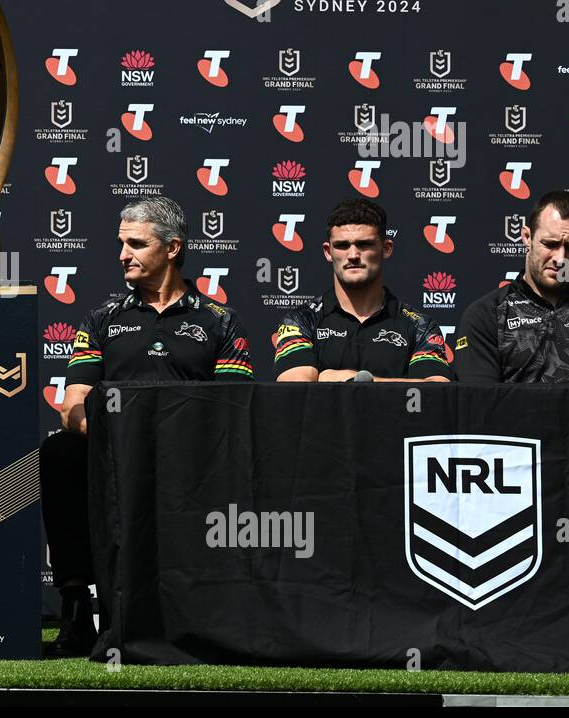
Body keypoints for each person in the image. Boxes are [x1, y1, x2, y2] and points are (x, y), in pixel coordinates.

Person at [43, 197, 254, 656]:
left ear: (173, 248)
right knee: (60, 449)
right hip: (115, 454)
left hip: (194, 458)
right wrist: (111, 439)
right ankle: (76, 605)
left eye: (136, 244)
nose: (123, 255)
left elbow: (233, 408)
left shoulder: (219, 321)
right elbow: (73, 404)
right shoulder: (102, 319)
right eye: (121, 244)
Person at [273, 198, 451, 383]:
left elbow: (436, 392)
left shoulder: (419, 325)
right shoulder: (301, 320)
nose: (353, 255)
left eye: (364, 244)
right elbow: (294, 391)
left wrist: (353, 379)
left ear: (386, 248)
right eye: (342, 245)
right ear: (328, 251)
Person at [456, 190, 569, 382]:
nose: (560, 259)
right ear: (526, 237)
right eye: (550, 244)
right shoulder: (486, 315)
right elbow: (479, 403)